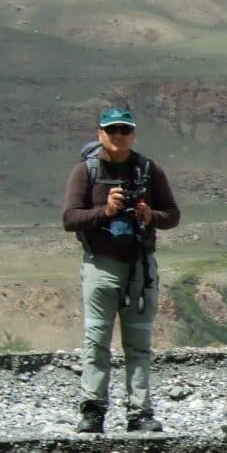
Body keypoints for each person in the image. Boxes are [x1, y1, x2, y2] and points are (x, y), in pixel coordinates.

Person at [61, 107, 180, 434]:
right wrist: (106, 211)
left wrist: (149, 215)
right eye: (111, 130)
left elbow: (173, 215)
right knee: (96, 340)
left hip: (140, 266)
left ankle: (139, 412)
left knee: (139, 343)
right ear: (100, 133)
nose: (117, 136)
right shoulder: (86, 172)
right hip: (101, 266)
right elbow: (70, 218)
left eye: (123, 130)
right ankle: (92, 409)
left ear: (133, 134)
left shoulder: (148, 170)